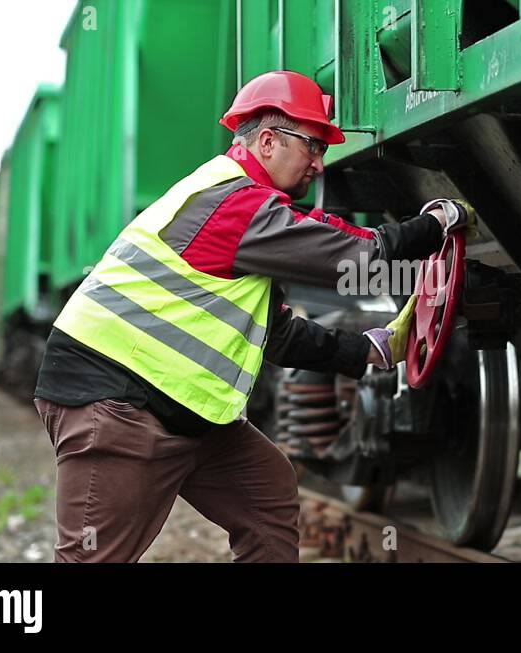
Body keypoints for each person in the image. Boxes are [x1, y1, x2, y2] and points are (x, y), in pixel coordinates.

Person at [33, 70, 473, 562]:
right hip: (115, 402)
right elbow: (356, 258)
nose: (320, 164)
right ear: (268, 140)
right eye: (313, 145)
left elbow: (276, 334)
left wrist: (367, 350)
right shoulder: (235, 203)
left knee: (268, 494)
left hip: (181, 409)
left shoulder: (245, 208)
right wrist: (435, 224)